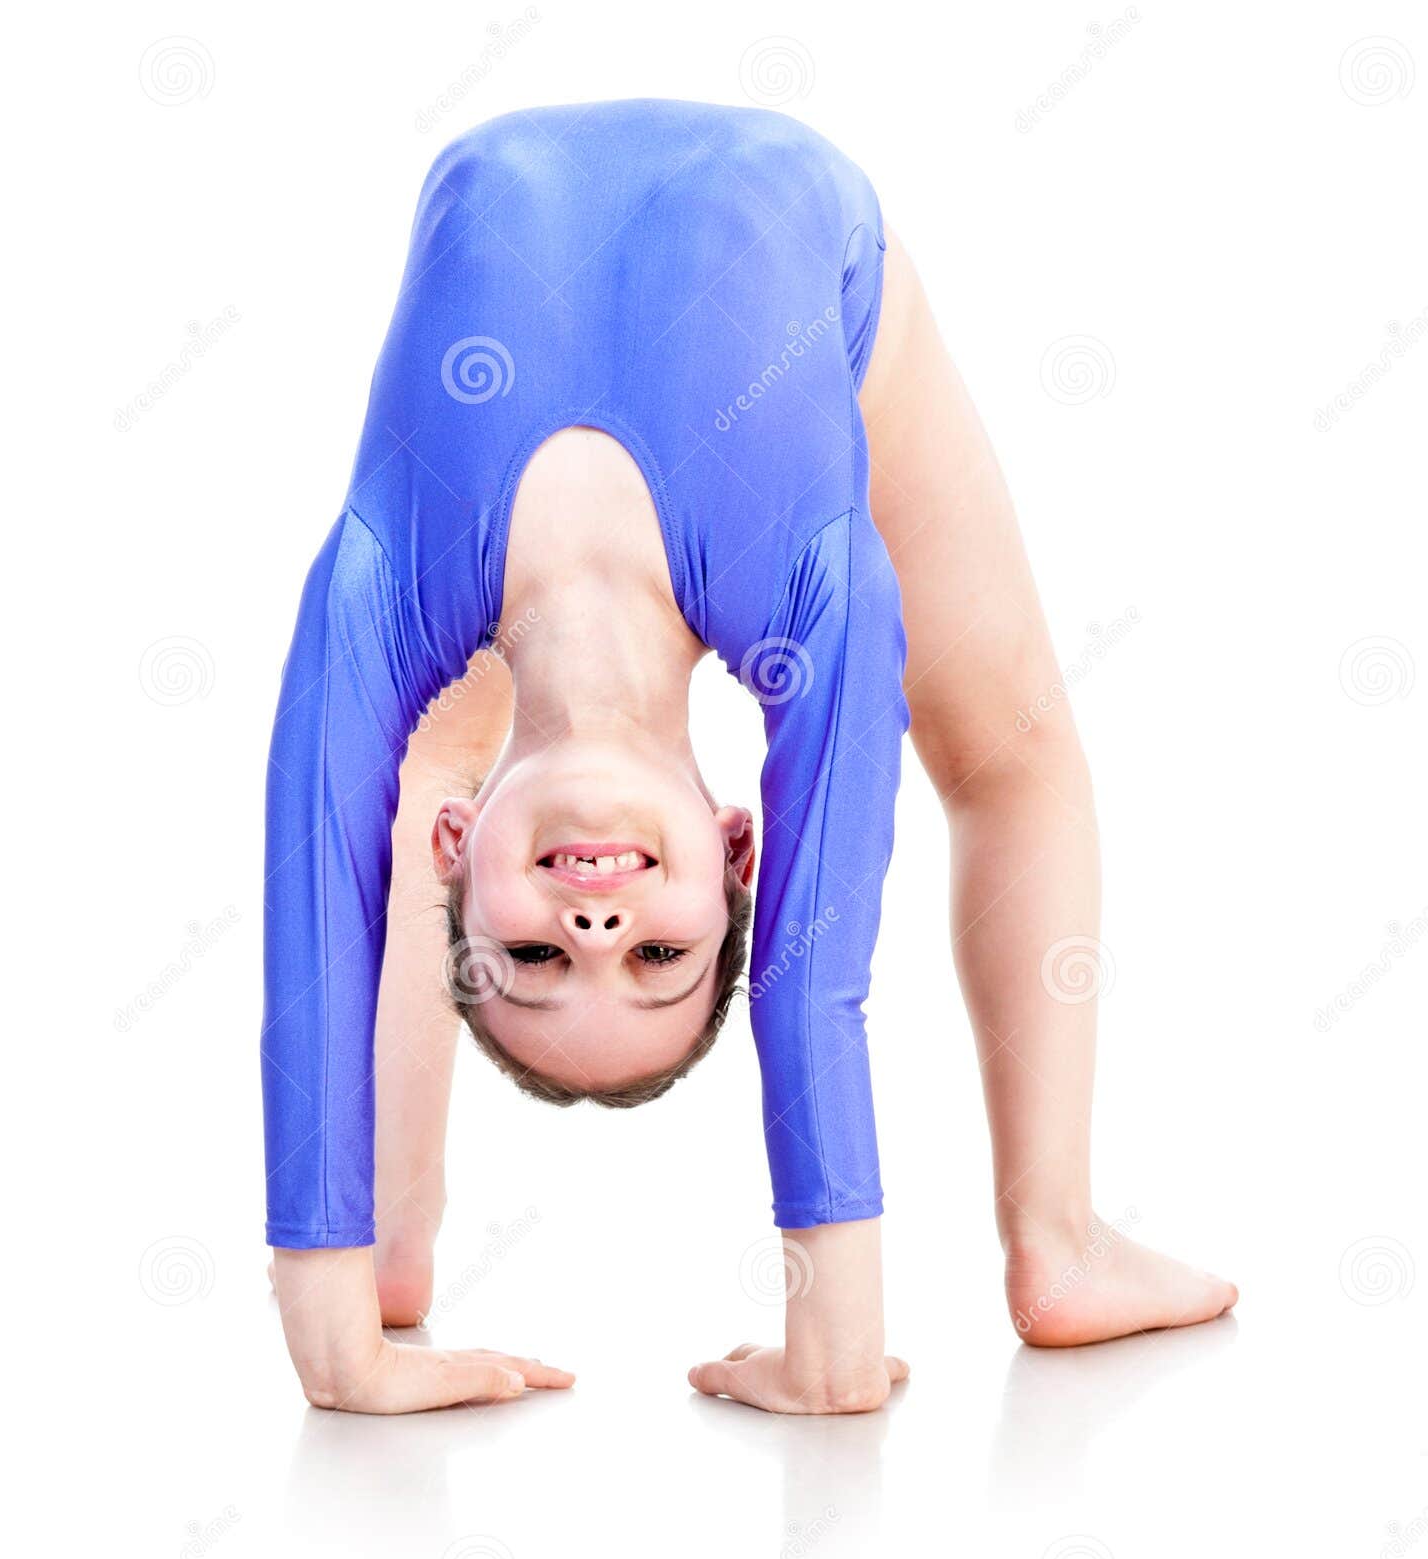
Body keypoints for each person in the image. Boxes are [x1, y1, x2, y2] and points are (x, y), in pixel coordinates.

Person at [263, 99, 1236, 1416]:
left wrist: (335, 1340)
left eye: (536, 956)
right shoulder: (808, 581)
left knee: (404, 766)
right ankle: (1056, 1243)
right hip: (813, 225)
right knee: (1008, 744)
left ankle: (390, 1231)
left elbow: (315, 921)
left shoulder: (386, 592)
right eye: (656, 953)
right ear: (736, 853)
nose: (596, 919)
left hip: (502, 190)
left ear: (457, 863)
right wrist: (831, 1343)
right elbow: (815, 965)